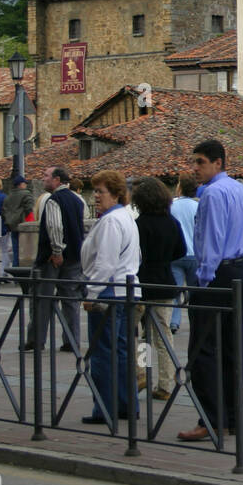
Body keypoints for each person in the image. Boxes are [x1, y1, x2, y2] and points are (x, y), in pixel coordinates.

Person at [179, 140, 243, 442]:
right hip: (238, 270)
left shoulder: (213, 193)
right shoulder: (238, 189)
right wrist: (241, 249)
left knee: (203, 348)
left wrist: (204, 279)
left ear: (218, 163)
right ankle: (230, 417)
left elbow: (211, 240)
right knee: (232, 346)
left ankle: (210, 418)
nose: (195, 168)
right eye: (195, 161)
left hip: (217, 274)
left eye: (201, 162)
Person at [79, 170, 141, 425]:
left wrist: (92, 293)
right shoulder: (126, 217)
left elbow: (105, 263)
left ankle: (105, 407)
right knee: (124, 350)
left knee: (103, 353)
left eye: (100, 191)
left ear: (116, 194)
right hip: (126, 290)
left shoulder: (112, 221)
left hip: (109, 291)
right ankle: (127, 404)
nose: (95, 196)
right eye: (94, 191)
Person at [132, 176, 188, 401]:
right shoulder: (172, 222)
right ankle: (165, 382)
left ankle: (141, 372)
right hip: (165, 282)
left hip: (142, 283)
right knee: (163, 335)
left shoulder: (139, 224)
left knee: (137, 333)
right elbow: (181, 250)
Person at [27, 166, 86, 352]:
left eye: (46, 176)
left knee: (42, 298)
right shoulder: (77, 201)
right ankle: (72, 340)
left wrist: (57, 250)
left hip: (53, 257)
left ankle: (37, 339)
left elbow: (55, 226)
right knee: (70, 299)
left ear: (57, 180)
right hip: (75, 256)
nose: (43, 179)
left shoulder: (54, 200)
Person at [168, 175, 200, 334]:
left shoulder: (172, 205)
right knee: (195, 292)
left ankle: (174, 322)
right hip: (195, 254)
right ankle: (196, 321)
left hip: (176, 254)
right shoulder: (198, 206)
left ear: (179, 187)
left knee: (175, 291)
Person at [2, 174, 34, 268]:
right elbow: (29, 209)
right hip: (23, 226)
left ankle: (15, 270)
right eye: (24, 183)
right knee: (26, 251)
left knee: (16, 250)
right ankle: (23, 271)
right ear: (20, 184)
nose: (26, 185)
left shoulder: (8, 196)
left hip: (12, 226)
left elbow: (4, 211)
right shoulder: (26, 194)